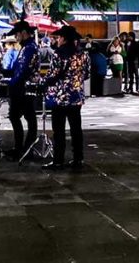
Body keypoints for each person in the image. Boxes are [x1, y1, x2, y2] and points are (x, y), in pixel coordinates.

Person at [44, 25, 90, 169]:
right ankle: (78, 158)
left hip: (61, 98)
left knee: (59, 130)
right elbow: (87, 74)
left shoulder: (58, 55)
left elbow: (52, 76)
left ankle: (58, 160)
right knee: (76, 129)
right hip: (76, 97)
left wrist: (44, 82)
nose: (57, 40)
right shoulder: (83, 55)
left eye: (58, 37)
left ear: (63, 39)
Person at [6, 21, 39, 159]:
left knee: (24, 117)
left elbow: (24, 70)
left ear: (23, 33)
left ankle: (24, 148)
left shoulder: (29, 48)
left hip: (22, 89)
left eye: (17, 34)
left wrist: (11, 82)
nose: (16, 37)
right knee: (23, 117)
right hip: (22, 87)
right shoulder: (27, 47)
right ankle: (22, 147)